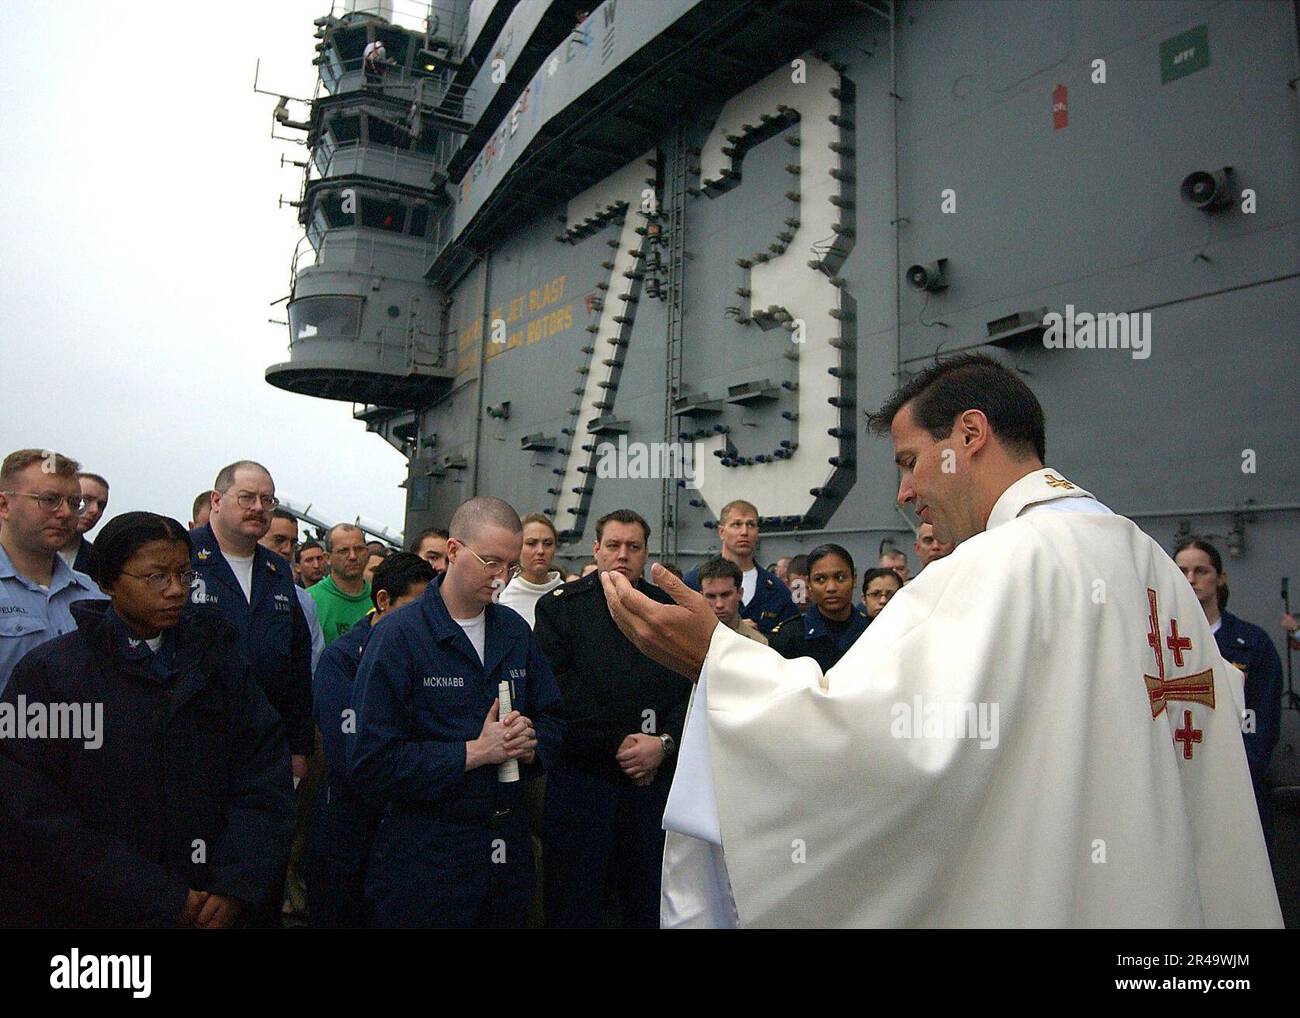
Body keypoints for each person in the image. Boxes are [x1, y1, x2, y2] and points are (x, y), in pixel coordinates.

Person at [600, 353, 1281, 928]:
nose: (903, 491)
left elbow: (872, 742)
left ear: (970, 435)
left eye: (909, 460)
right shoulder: (1154, 565)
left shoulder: (997, 566)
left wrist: (719, 663)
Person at [0, 512, 295, 927]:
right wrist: (156, 894)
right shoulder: (51, 675)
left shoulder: (221, 664)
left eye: (184, 573)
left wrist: (236, 882)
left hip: (220, 906)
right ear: (108, 583)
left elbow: (264, 777)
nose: (176, 590)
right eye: (155, 577)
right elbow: (33, 811)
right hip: (95, 912)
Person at [351, 496, 564, 928]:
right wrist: (473, 752)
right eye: (490, 562)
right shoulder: (399, 637)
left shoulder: (514, 632)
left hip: (505, 850)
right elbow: (371, 762)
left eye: (510, 566)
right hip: (427, 858)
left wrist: (529, 745)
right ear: (452, 551)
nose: (501, 578)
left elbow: (555, 718)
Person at [535, 509, 692, 929]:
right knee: (575, 905)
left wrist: (663, 745)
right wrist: (619, 745)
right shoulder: (560, 611)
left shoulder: (668, 612)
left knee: (647, 907)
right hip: (583, 786)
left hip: (652, 791)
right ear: (596, 550)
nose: (623, 555)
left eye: (633, 547)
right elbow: (558, 689)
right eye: (613, 546)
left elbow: (691, 686)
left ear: (645, 553)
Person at [188, 459, 313, 928]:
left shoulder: (278, 571)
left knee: (261, 875)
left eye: (268, 500)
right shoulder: (183, 557)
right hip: (195, 743)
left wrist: (300, 746)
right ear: (217, 501)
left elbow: (298, 666)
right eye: (248, 497)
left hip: (264, 750)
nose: (259, 508)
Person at [308, 552, 434, 928]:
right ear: (383, 601)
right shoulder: (341, 660)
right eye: (415, 608)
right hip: (350, 827)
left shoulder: (427, 658)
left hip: (408, 832)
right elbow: (353, 756)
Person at [1175, 537, 1283, 848]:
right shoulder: (1157, 642)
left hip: (1239, 781)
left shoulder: (1252, 642)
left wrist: (1237, 772)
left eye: (1201, 571)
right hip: (1178, 782)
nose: (1191, 580)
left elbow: (1263, 720)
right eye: (1181, 571)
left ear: (1221, 578)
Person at [0, 449, 105, 697]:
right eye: (49, 500)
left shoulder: (94, 597)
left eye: (73, 503)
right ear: (4, 505)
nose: (67, 513)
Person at [684, 500, 798, 636]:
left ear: (757, 532)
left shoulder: (777, 590)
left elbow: (790, 643)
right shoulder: (692, 583)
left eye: (750, 525)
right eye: (737, 524)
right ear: (721, 532)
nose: (744, 532)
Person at [768, 544, 868, 672]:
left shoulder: (872, 631)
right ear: (809, 584)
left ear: (854, 579)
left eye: (840, 578)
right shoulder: (788, 637)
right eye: (820, 579)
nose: (831, 587)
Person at [259, 509, 325, 674]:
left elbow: (314, 660)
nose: (287, 550)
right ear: (258, 537)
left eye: (293, 543)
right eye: (279, 540)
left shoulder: (303, 601)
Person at [497, 513, 563, 628]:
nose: (541, 551)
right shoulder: (501, 594)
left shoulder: (569, 595)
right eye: (531, 543)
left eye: (548, 544)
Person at [309, 524, 373, 644]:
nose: (353, 556)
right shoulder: (310, 600)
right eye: (343, 551)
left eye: (359, 549)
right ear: (327, 558)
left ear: (367, 553)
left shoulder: (381, 599)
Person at [696, 557, 767, 646]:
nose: (719, 604)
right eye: (711, 596)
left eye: (725, 595)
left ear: (740, 593)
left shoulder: (758, 643)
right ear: (702, 596)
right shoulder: (688, 641)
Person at [58, 471, 109, 578]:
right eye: (85, 500)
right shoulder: (23, 548)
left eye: (101, 505)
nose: (95, 510)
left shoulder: (100, 562)